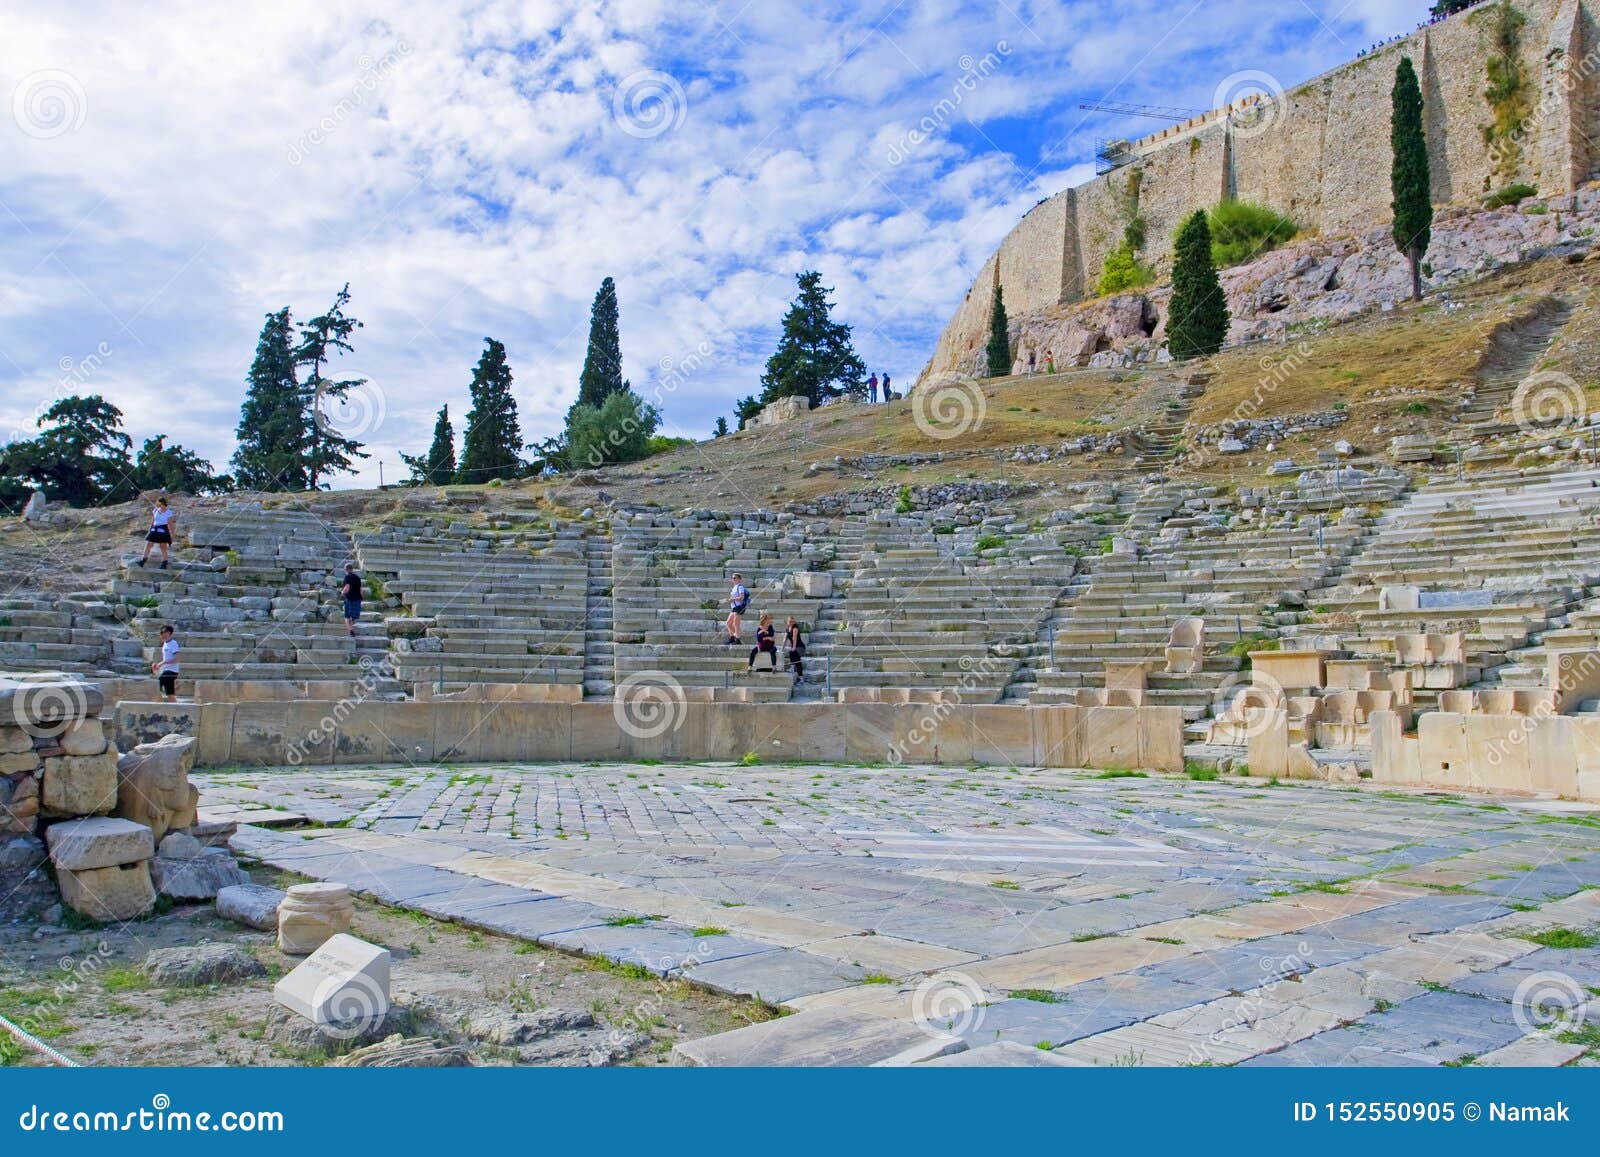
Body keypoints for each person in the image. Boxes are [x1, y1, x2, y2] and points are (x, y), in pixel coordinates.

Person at [137, 495, 175, 569]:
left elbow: (170, 523)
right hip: (154, 529)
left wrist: (172, 533)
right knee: (149, 544)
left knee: (163, 546)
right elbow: (153, 521)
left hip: (163, 529)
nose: (159, 505)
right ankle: (143, 560)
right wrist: (150, 529)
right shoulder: (155, 510)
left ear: (163, 504)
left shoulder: (168, 512)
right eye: (158, 504)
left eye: (160, 504)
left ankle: (164, 562)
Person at [152, 623, 180, 702]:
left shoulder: (173, 644)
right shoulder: (165, 644)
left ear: (168, 633)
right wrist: (158, 665)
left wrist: (163, 663)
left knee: (156, 686)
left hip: (171, 671)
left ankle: (159, 706)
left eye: (162, 632)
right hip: (167, 670)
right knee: (170, 693)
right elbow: (166, 659)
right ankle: (177, 708)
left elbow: (177, 659)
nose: (160, 634)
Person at [724, 572, 750, 645]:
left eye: (734, 578)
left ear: (739, 579)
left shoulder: (740, 587)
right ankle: (732, 637)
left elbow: (742, 598)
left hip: (739, 607)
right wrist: (730, 600)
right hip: (734, 607)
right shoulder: (734, 588)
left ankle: (737, 640)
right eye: (732, 578)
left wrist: (733, 599)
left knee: (736, 624)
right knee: (728, 623)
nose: (733, 579)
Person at [340, 563, 363, 637]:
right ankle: (351, 627)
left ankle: (351, 630)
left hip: (349, 599)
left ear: (346, 570)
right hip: (357, 599)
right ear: (352, 569)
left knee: (347, 616)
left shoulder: (347, 577)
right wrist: (361, 597)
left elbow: (347, 587)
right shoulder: (357, 577)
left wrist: (342, 593)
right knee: (354, 616)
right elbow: (360, 589)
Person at [784, 617, 806, 685]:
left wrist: (793, 647)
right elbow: (785, 639)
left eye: (793, 622)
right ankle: (800, 677)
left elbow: (794, 638)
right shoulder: (787, 628)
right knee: (797, 660)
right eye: (790, 621)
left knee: (792, 653)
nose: (792, 623)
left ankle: (793, 668)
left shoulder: (795, 628)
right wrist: (782, 648)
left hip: (800, 647)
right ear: (787, 622)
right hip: (795, 646)